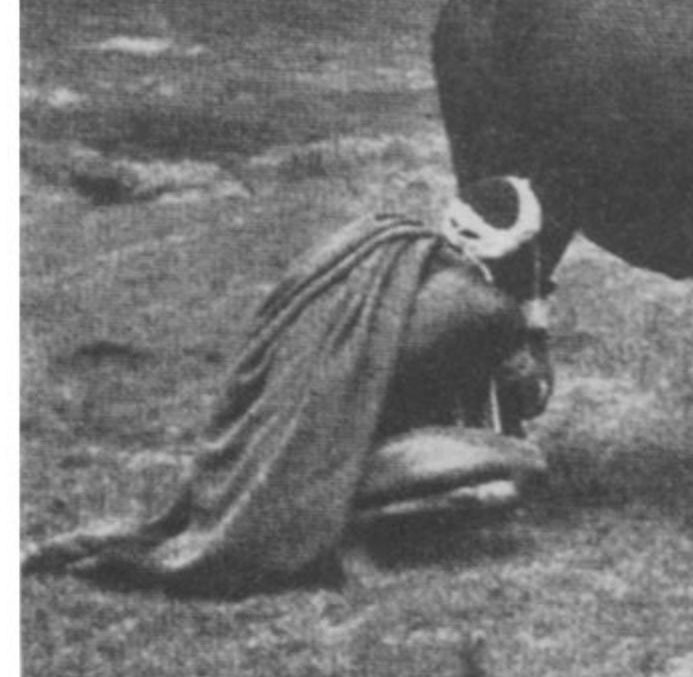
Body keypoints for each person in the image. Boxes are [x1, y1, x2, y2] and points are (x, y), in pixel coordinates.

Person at [23, 177, 550, 596]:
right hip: (334, 455)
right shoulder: (491, 309)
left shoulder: (378, 241)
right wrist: (529, 310)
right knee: (523, 466)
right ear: (514, 248)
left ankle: (91, 542)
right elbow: (531, 398)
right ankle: (344, 526)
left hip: (262, 433)